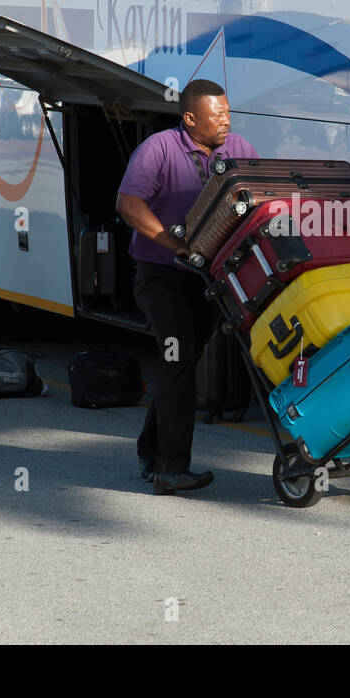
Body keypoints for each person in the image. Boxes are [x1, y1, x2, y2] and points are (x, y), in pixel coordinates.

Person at [116, 79, 258, 495]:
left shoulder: (241, 151)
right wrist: (173, 245)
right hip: (162, 276)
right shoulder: (158, 149)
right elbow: (128, 204)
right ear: (191, 118)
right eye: (218, 116)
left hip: (209, 278)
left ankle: (150, 449)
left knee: (182, 364)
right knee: (177, 361)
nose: (226, 122)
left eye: (229, 112)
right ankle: (170, 469)